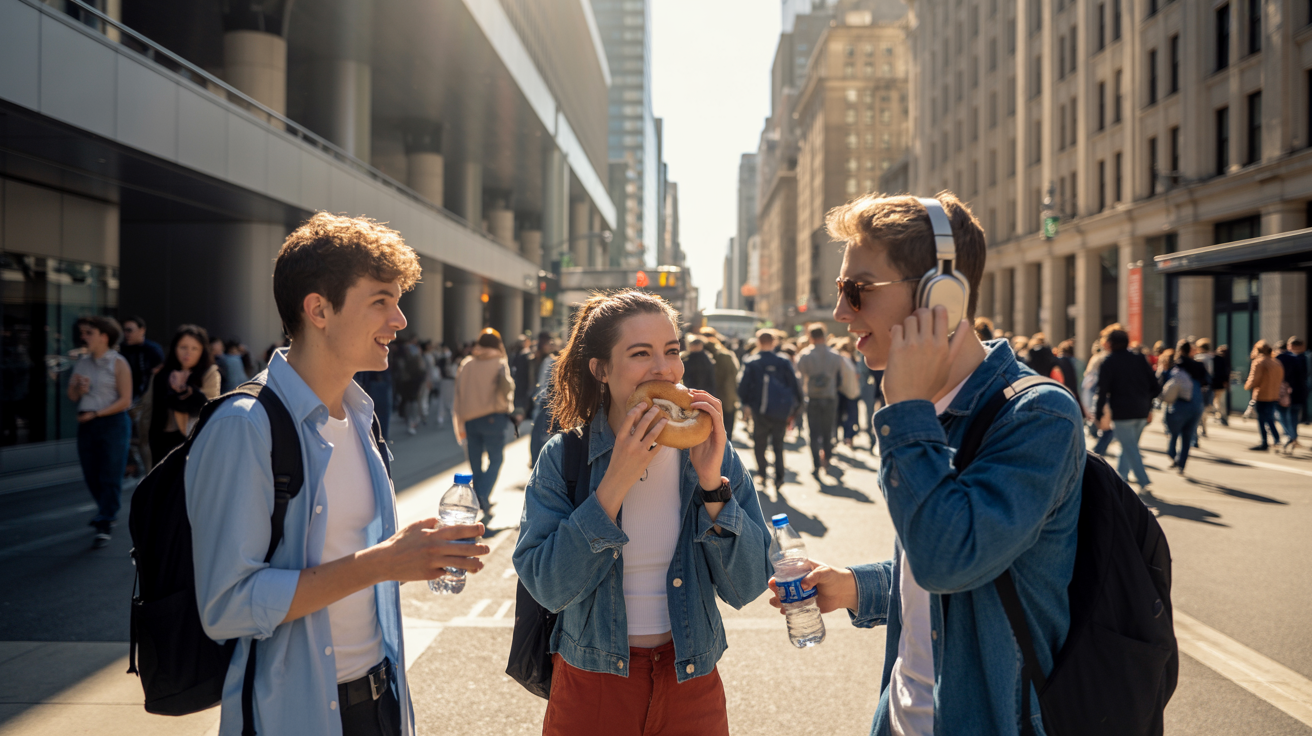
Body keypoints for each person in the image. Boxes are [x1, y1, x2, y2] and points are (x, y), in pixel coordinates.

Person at [772, 191, 1084, 736]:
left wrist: (907, 412)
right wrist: (855, 587)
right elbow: (945, 577)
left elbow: (949, 559)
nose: (842, 312)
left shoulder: (1037, 417)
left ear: (940, 297)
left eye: (856, 291)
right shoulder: (927, 412)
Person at [186, 212, 489, 736]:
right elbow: (225, 605)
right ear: (319, 309)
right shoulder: (245, 426)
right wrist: (382, 562)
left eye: (398, 301)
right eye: (381, 301)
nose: (400, 321)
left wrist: (407, 553)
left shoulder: (361, 416)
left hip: (381, 700)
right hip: (295, 714)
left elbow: (349, 555)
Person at [513, 289, 771, 736]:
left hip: (690, 679)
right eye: (640, 353)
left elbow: (747, 585)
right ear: (602, 370)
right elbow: (549, 587)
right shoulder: (565, 456)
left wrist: (713, 486)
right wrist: (614, 483)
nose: (663, 368)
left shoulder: (712, 453)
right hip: (593, 682)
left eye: (672, 351)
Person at [68, 315, 133, 549]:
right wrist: (78, 388)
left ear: (104, 337)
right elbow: (72, 396)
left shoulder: (118, 363)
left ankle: (105, 519)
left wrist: (96, 414)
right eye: (83, 333)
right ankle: (106, 510)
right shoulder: (82, 362)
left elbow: (125, 400)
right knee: (91, 473)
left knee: (110, 473)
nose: (84, 336)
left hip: (113, 422)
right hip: (87, 424)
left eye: (89, 333)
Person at [453, 328, 517, 518]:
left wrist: (459, 423)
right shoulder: (499, 362)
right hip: (493, 418)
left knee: (475, 462)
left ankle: (481, 497)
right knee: (496, 459)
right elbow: (507, 391)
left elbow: (458, 396)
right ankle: (482, 494)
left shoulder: (467, 364)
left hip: (470, 420)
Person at [145, 324, 221, 465]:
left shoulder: (210, 373)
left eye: (194, 348)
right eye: (183, 347)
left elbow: (209, 406)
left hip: (194, 440)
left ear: (203, 350)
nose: (188, 353)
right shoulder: (162, 374)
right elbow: (150, 408)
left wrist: (188, 391)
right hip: (161, 439)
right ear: (174, 348)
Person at [737, 329, 803, 491]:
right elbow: (794, 385)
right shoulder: (783, 361)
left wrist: (745, 404)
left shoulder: (752, 361)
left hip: (760, 409)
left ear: (758, 342)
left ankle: (762, 474)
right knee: (778, 444)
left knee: (760, 444)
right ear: (774, 342)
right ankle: (779, 477)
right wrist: (797, 406)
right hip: (780, 410)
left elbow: (743, 387)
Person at [1096, 328, 1161, 489]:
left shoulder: (1108, 361)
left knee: (1130, 447)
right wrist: (1148, 404)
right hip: (1141, 411)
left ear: (1110, 343)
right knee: (1129, 446)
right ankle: (1121, 476)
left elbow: (1102, 391)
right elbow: (1156, 387)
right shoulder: (1140, 358)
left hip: (1122, 413)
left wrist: (1098, 414)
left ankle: (1143, 480)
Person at [796, 323, 854, 477]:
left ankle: (815, 465)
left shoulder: (805, 355)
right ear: (824, 335)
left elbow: (800, 377)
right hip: (830, 397)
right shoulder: (835, 355)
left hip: (813, 397)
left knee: (813, 434)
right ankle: (827, 460)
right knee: (828, 432)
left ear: (810, 337)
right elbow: (840, 377)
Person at [119, 316, 164, 475]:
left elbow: (159, 377)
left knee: (144, 439)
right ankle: (134, 466)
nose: (126, 334)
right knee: (124, 437)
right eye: (124, 330)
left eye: (130, 330)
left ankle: (148, 473)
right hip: (125, 400)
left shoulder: (153, 350)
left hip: (145, 401)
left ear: (141, 330)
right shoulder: (121, 349)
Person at [1161, 340, 1209, 475]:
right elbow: (1206, 382)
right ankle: (1182, 464)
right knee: (1187, 436)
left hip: (1179, 403)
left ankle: (1172, 454)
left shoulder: (1176, 364)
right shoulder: (1199, 366)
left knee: (1173, 432)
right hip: (1196, 404)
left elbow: (1164, 382)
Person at [700, 328, 742, 440]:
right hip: (724, 402)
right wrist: (731, 404)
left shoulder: (689, 355)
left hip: (698, 404)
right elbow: (730, 382)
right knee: (725, 440)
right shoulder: (726, 356)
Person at [1245, 339, 1285, 451]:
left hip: (1262, 394)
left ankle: (1264, 442)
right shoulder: (1276, 362)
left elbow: (1254, 379)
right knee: (1269, 418)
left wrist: (1247, 385)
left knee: (1262, 419)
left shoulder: (1259, 362)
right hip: (1273, 394)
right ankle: (1276, 439)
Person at [1276, 337, 1307, 454]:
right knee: (1294, 417)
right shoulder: (1305, 358)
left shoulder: (1283, 358)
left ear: (1290, 346)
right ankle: (1293, 437)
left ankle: (1289, 436)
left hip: (1285, 392)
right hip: (1300, 393)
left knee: (1281, 415)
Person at [1211, 344, 1232, 426]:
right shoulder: (1225, 360)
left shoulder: (1217, 359)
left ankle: (1221, 416)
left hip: (1217, 384)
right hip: (1220, 384)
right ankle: (1221, 416)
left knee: (1218, 402)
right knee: (1220, 402)